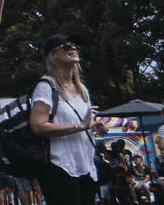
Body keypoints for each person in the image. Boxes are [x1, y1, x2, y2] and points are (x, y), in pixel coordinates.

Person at [29, 32, 106, 205]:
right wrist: (80, 126)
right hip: (60, 166)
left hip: (86, 166)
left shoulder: (82, 89)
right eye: (66, 46)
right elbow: (38, 126)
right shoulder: (46, 86)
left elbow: (81, 124)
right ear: (53, 55)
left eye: (75, 46)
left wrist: (93, 126)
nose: (73, 49)